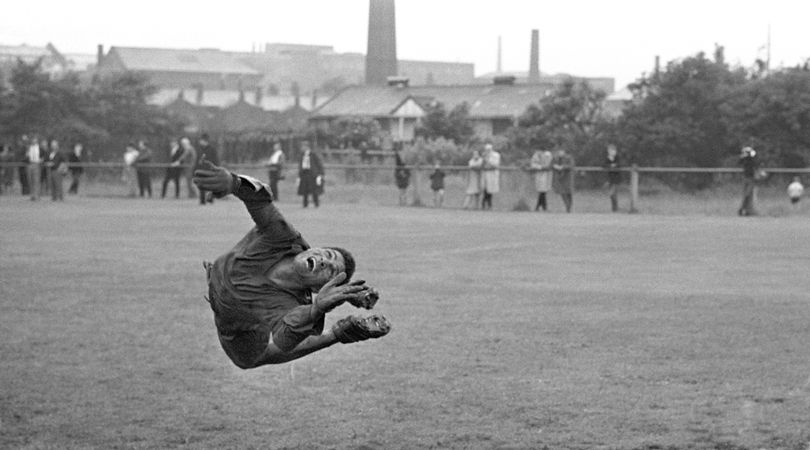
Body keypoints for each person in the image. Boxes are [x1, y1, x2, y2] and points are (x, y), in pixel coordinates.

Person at [191, 157, 391, 368]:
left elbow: (284, 341)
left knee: (250, 360)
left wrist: (315, 311)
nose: (325, 262)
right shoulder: (283, 238)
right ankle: (350, 306)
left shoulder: (295, 305)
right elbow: (260, 198)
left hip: (238, 326)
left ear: (317, 288)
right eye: (327, 254)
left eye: (330, 271)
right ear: (313, 248)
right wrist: (234, 183)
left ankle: (339, 333)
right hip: (222, 292)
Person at [297, 141, 324, 208]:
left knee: (314, 189)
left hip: (312, 174)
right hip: (304, 173)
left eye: (303, 146)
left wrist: (320, 173)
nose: (302, 148)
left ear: (307, 147)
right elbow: (301, 164)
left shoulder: (313, 154)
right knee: (304, 189)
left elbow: (318, 164)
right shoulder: (302, 155)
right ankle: (305, 204)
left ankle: (316, 203)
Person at [195, 133, 219, 205]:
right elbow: (197, 160)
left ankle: (210, 199)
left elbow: (216, 160)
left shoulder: (212, 149)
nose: (200, 142)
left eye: (201, 140)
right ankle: (202, 200)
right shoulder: (199, 149)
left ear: (205, 141)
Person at [738, 146, 761, 216]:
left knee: (748, 195)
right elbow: (739, 162)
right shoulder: (744, 159)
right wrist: (744, 156)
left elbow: (756, 164)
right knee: (746, 195)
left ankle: (746, 210)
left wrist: (750, 156)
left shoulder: (752, 159)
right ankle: (744, 209)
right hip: (745, 178)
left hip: (751, 179)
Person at [552, 148, 575, 213]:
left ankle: (569, 207)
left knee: (569, 193)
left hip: (567, 178)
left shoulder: (569, 158)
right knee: (562, 192)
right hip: (560, 178)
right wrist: (555, 166)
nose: (560, 153)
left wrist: (562, 167)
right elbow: (551, 165)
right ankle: (567, 207)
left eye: (561, 151)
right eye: (558, 152)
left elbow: (571, 166)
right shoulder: (556, 158)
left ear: (564, 152)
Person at [480, 144, 501, 210]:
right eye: (486, 149)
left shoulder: (496, 155)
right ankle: (484, 205)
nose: (487, 151)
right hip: (485, 174)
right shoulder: (484, 155)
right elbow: (482, 165)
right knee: (485, 190)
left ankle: (488, 205)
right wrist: (484, 159)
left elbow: (495, 165)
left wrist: (487, 160)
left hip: (492, 175)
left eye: (489, 149)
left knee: (490, 191)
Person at [604, 144, 622, 212]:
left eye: (611, 150)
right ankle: (614, 208)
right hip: (610, 179)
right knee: (612, 195)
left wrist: (613, 164)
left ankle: (615, 208)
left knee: (613, 193)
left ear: (614, 151)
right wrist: (611, 164)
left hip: (616, 179)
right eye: (609, 151)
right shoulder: (608, 158)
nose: (610, 152)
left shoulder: (617, 157)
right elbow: (604, 165)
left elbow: (619, 165)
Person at [26, 136, 43, 201]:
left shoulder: (40, 148)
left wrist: (42, 160)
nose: (34, 141)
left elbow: (45, 155)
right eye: (33, 140)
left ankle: (37, 196)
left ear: (37, 141)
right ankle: (32, 195)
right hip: (30, 164)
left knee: (36, 181)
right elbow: (25, 157)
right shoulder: (29, 148)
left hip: (37, 164)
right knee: (30, 181)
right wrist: (26, 156)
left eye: (35, 140)